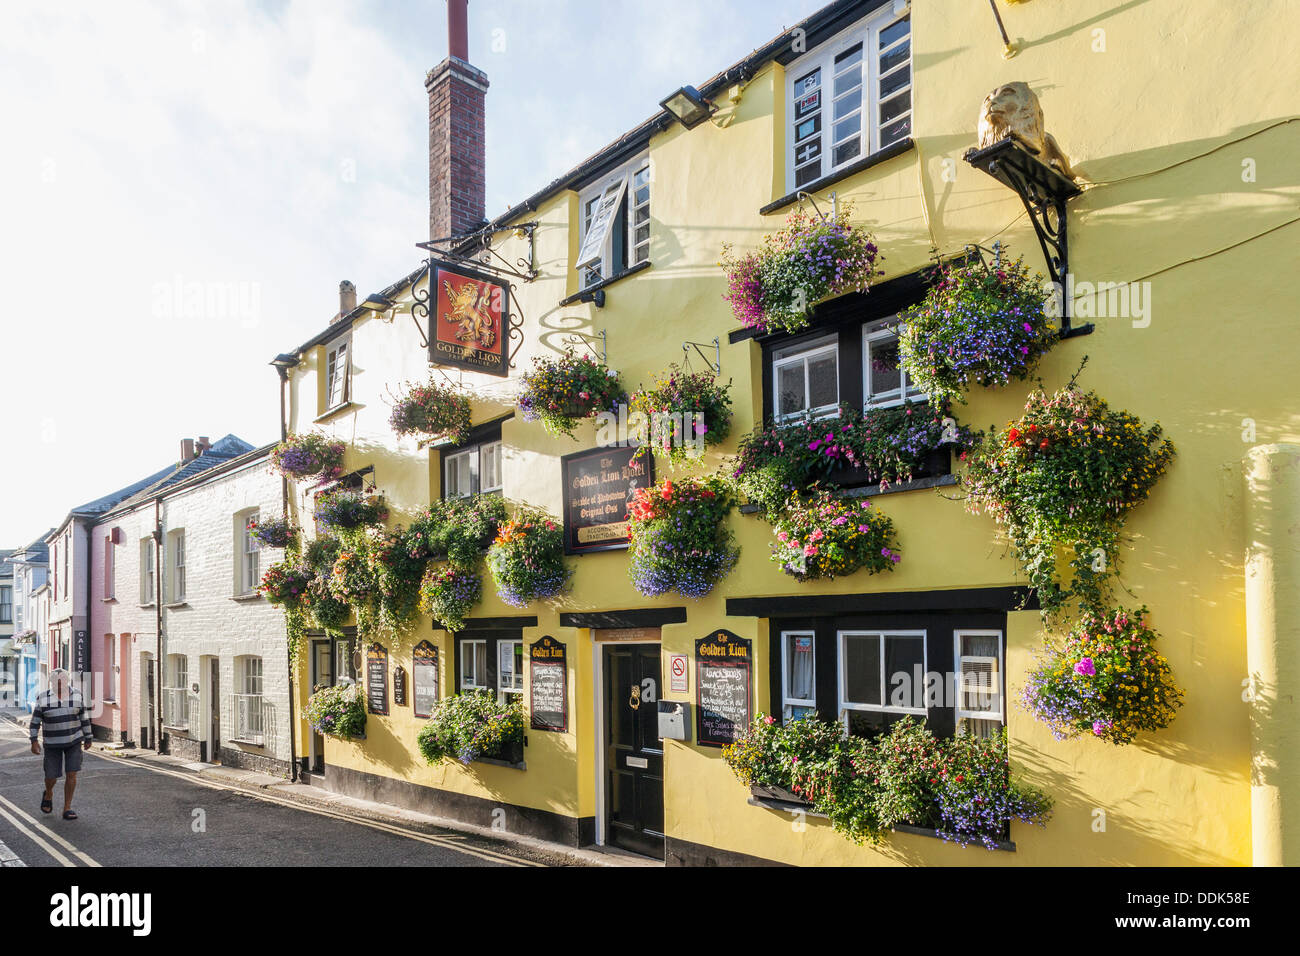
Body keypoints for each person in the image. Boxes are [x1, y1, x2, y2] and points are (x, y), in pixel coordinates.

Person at [29, 668, 93, 821]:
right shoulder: (43, 698)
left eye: (63, 680)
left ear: (67, 680)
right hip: (52, 743)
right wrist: (34, 741)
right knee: (51, 776)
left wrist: (88, 737)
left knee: (71, 774)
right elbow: (35, 722)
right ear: (51, 682)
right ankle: (49, 793)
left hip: (73, 741)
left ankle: (67, 808)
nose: (60, 683)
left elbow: (84, 718)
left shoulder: (77, 695)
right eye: (57, 681)